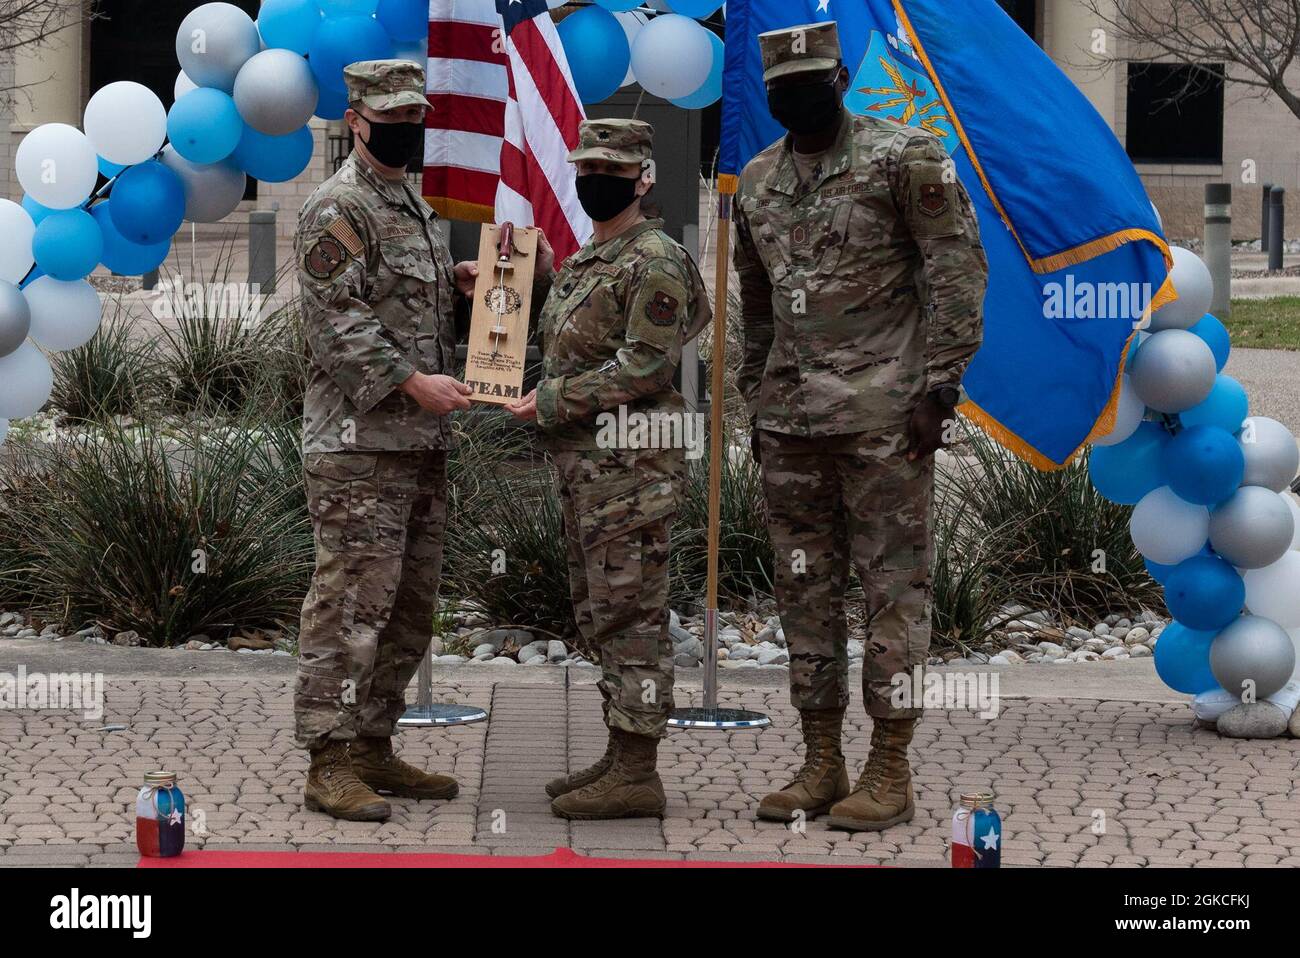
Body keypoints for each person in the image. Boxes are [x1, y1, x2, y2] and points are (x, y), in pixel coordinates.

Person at [733, 22, 988, 831]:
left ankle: (889, 765)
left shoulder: (905, 157)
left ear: (840, 77)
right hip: (790, 423)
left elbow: (957, 269)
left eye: (809, 82)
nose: (795, 97)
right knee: (803, 593)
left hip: (885, 418)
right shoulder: (759, 180)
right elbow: (759, 300)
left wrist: (940, 388)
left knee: (892, 594)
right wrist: (752, 397)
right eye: (780, 88)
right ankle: (819, 759)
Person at [292, 60, 536, 821]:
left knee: (407, 604)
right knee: (348, 602)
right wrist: (409, 381)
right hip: (360, 444)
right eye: (391, 116)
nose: (406, 128)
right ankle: (327, 759)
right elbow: (337, 323)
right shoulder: (339, 207)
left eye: (413, 115)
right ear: (356, 120)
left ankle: (373, 743)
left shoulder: (414, 206)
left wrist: (460, 295)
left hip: (421, 443)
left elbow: (405, 313)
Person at [506, 118, 709, 820]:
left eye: (611, 168)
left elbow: (647, 363)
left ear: (642, 178)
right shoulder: (588, 259)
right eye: (586, 165)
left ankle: (638, 771)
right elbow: (567, 345)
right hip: (588, 473)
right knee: (603, 615)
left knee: (632, 620)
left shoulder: (653, 256)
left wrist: (556, 400)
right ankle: (623, 751)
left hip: (631, 473)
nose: (596, 177)